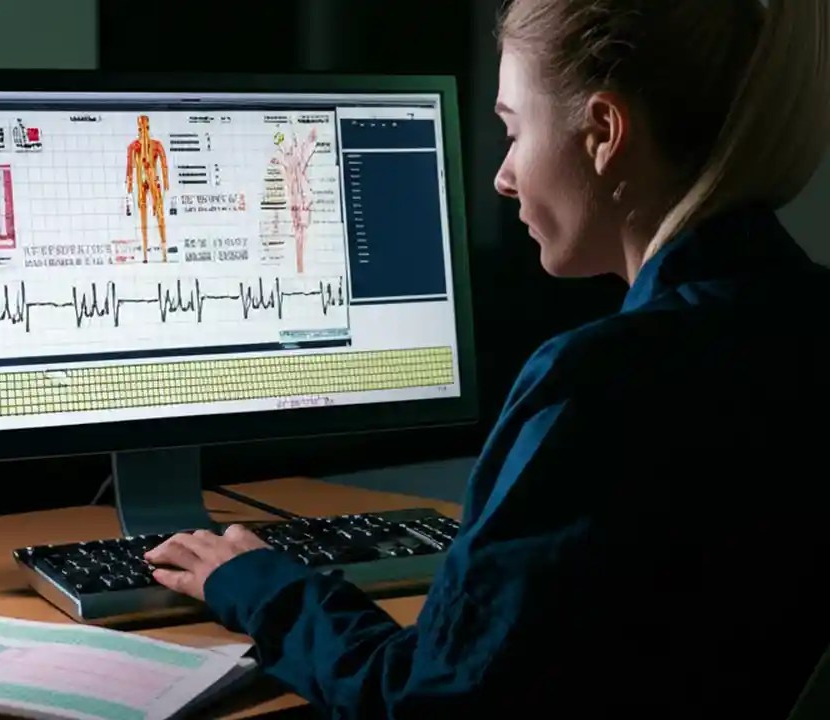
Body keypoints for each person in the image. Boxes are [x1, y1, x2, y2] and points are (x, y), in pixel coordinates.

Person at [144, 1, 830, 717]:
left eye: (514, 129)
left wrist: (261, 585)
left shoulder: (605, 385)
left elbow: (424, 703)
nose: (503, 177)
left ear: (603, 132)